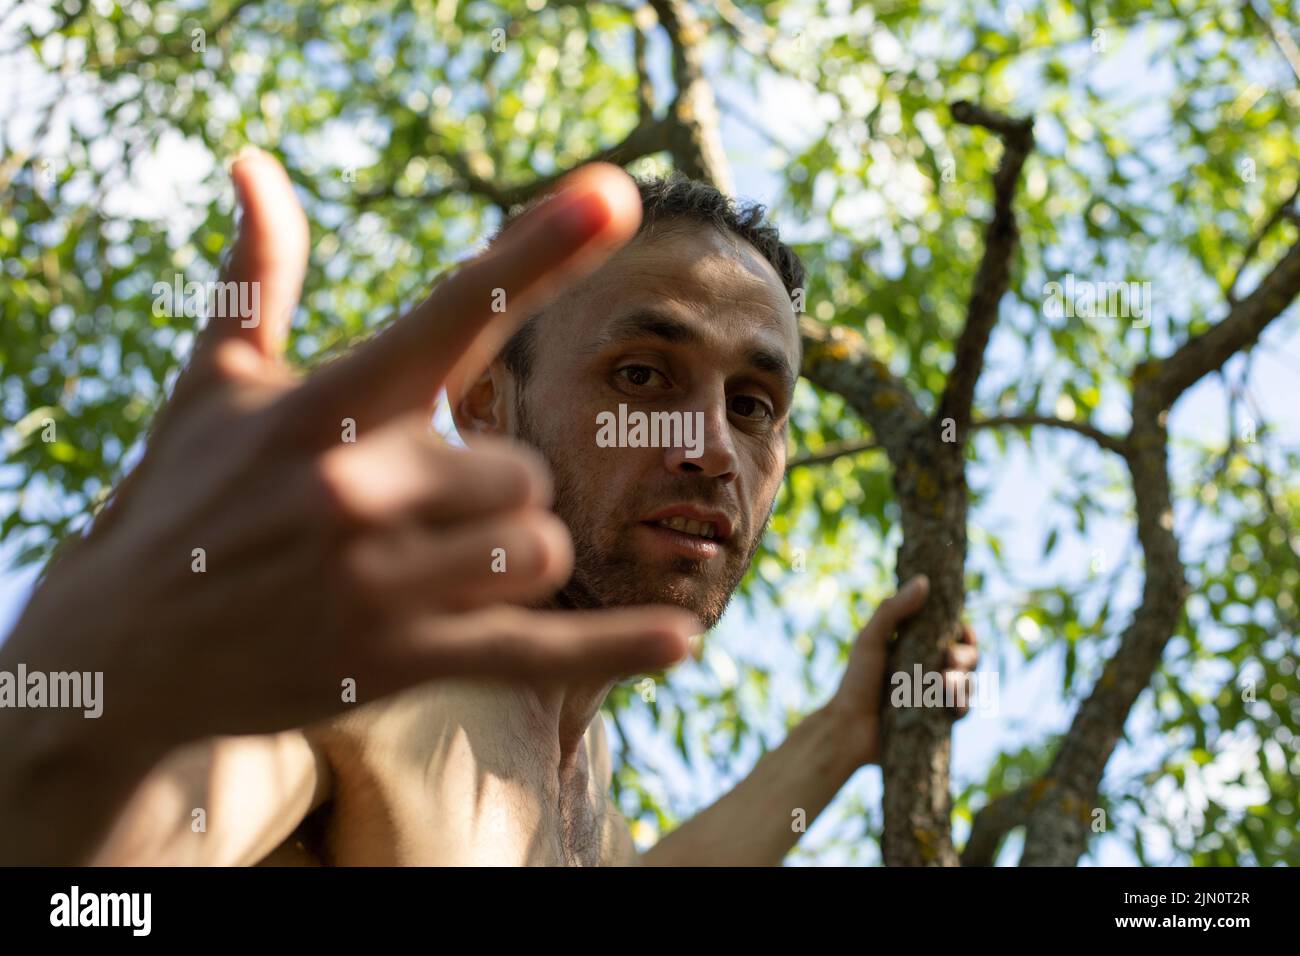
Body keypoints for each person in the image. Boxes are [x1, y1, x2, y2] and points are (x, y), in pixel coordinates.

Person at [0, 150, 977, 866]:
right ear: (484, 402)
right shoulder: (370, 672)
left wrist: (845, 731)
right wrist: (99, 698)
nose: (711, 447)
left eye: (753, 404)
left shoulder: (577, 765)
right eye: (640, 375)